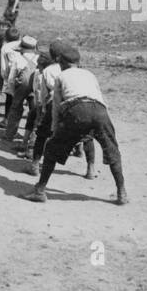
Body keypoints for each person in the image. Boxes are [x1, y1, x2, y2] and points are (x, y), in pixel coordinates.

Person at [26, 43, 128, 205]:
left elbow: (57, 106)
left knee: (52, 149)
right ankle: (122, 192)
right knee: (112, 149)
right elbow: (99, 96)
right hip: (100, 111)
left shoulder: (61, 76)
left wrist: (55, 129)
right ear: (78, 62)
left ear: (61, 64)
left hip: (77, 110)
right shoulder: (89, 74)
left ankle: (40, 190)